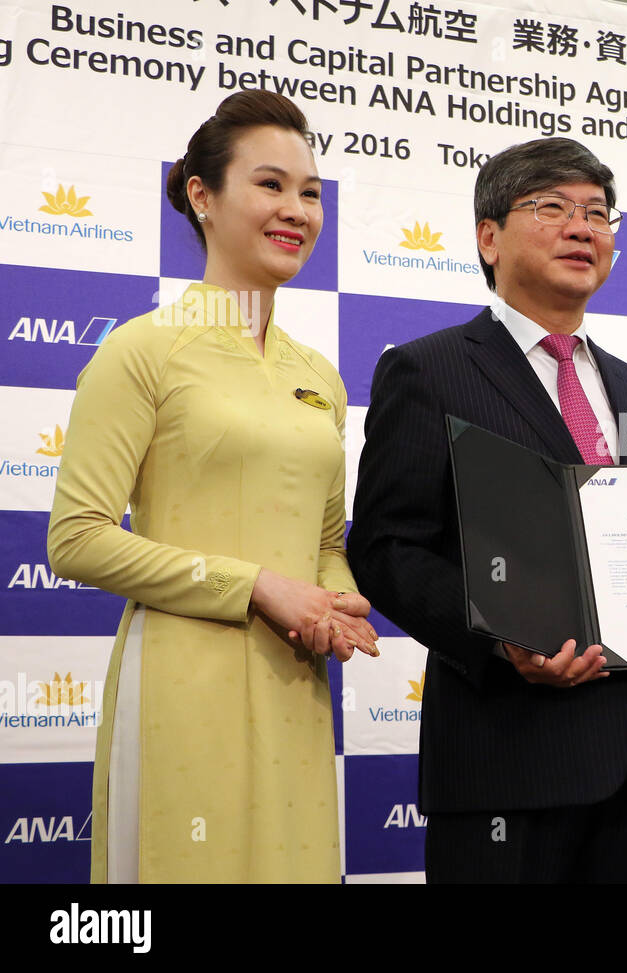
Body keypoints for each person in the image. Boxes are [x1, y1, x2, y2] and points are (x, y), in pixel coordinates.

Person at [347, 137, 627, 884]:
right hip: (507, 752)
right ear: (488, 236)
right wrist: (505, 641)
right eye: (552, 208)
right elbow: (386, 548)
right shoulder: (428, 370)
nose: (583, 227)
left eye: (598, 213)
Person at [47, 90, 378, 884]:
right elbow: (77, 536)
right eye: (270, 185)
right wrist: (257, 585)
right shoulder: (143, 350)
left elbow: (326, 540)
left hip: (294, 682)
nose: (295, 209)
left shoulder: (319, 376)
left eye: (309, 192)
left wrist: (335, 601)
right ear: (202, 195)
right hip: (181, 684)